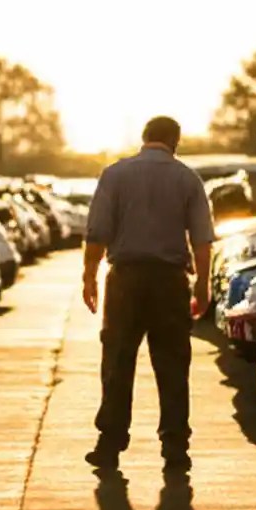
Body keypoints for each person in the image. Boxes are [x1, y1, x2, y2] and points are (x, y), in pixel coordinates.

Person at [81, 116, 215, 472]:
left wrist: (89, 276)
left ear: (144, 138)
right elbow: (202, 239)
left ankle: (109, 445)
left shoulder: (115, 175)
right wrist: (203, 284)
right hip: (170, 282)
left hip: (125, 280)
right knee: (172, 365)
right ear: (176, 141)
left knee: (117, 362)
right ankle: (175, 447)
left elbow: (97, 231)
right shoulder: (188, 179)